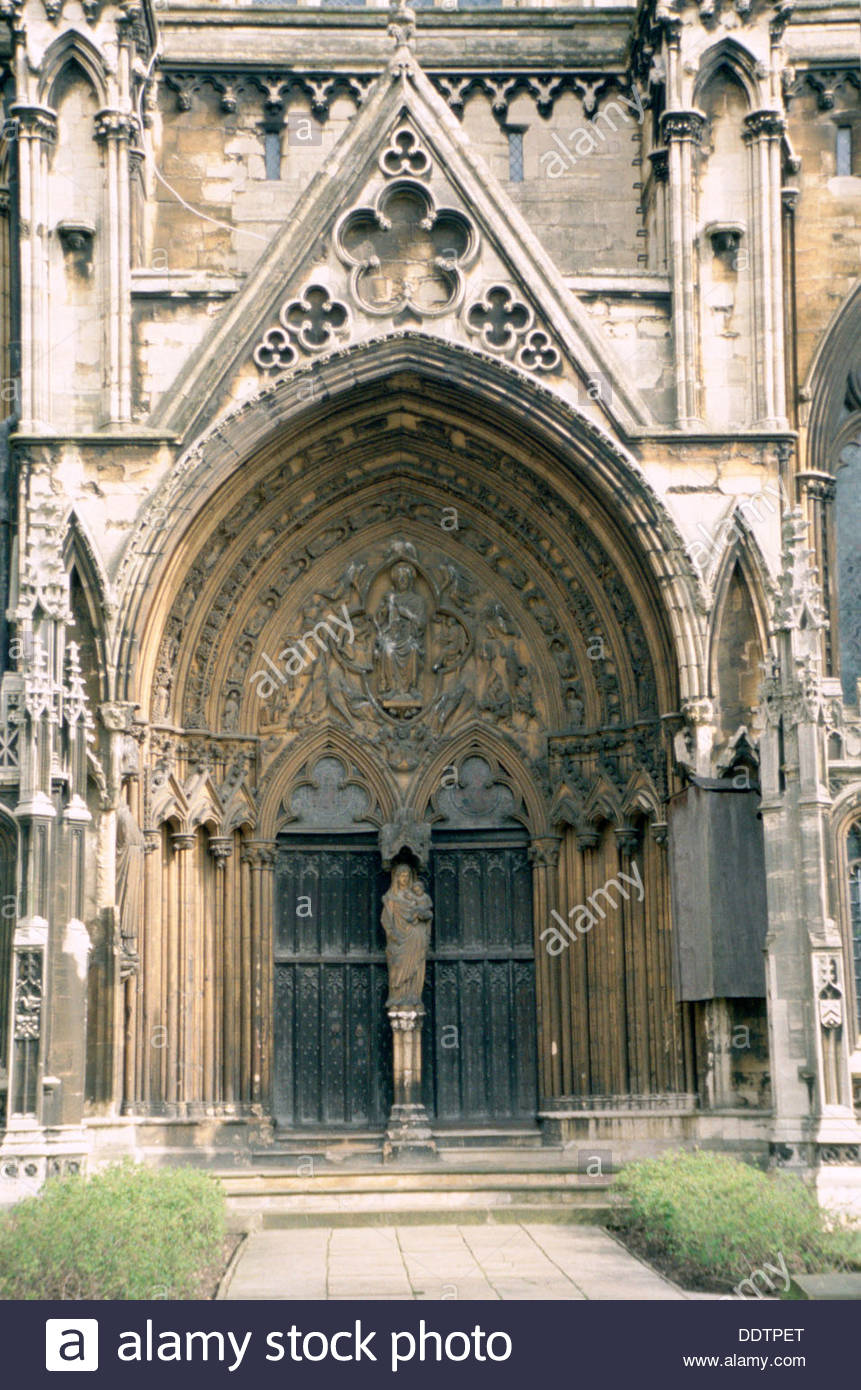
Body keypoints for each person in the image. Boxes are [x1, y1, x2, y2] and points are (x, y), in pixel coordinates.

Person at [381, 862, 432, 1007]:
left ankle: (413, 997)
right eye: (401, 875)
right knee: (397, 965)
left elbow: (427, 914)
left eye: (407, 875)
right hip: (398, 940)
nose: (404, 878)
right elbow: (386, 919)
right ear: (396, 877)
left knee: (415, 967)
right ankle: (397, 997)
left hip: (416, 936)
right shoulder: (390, 898)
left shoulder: (416, 896)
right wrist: (392, 934)